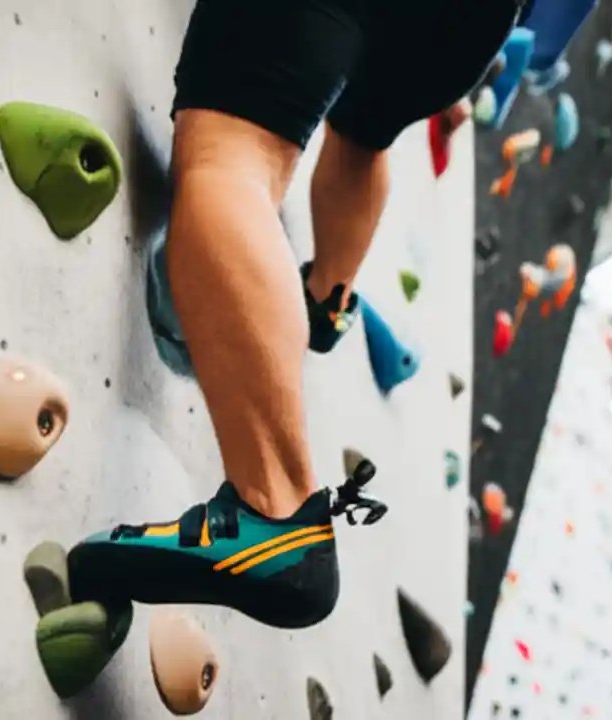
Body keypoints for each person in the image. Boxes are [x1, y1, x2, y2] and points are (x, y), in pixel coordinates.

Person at [65, 0, 526, 629]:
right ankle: (327, 298)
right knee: (367, 129)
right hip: (473, 26)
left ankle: (274, 514)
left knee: (230, 157)